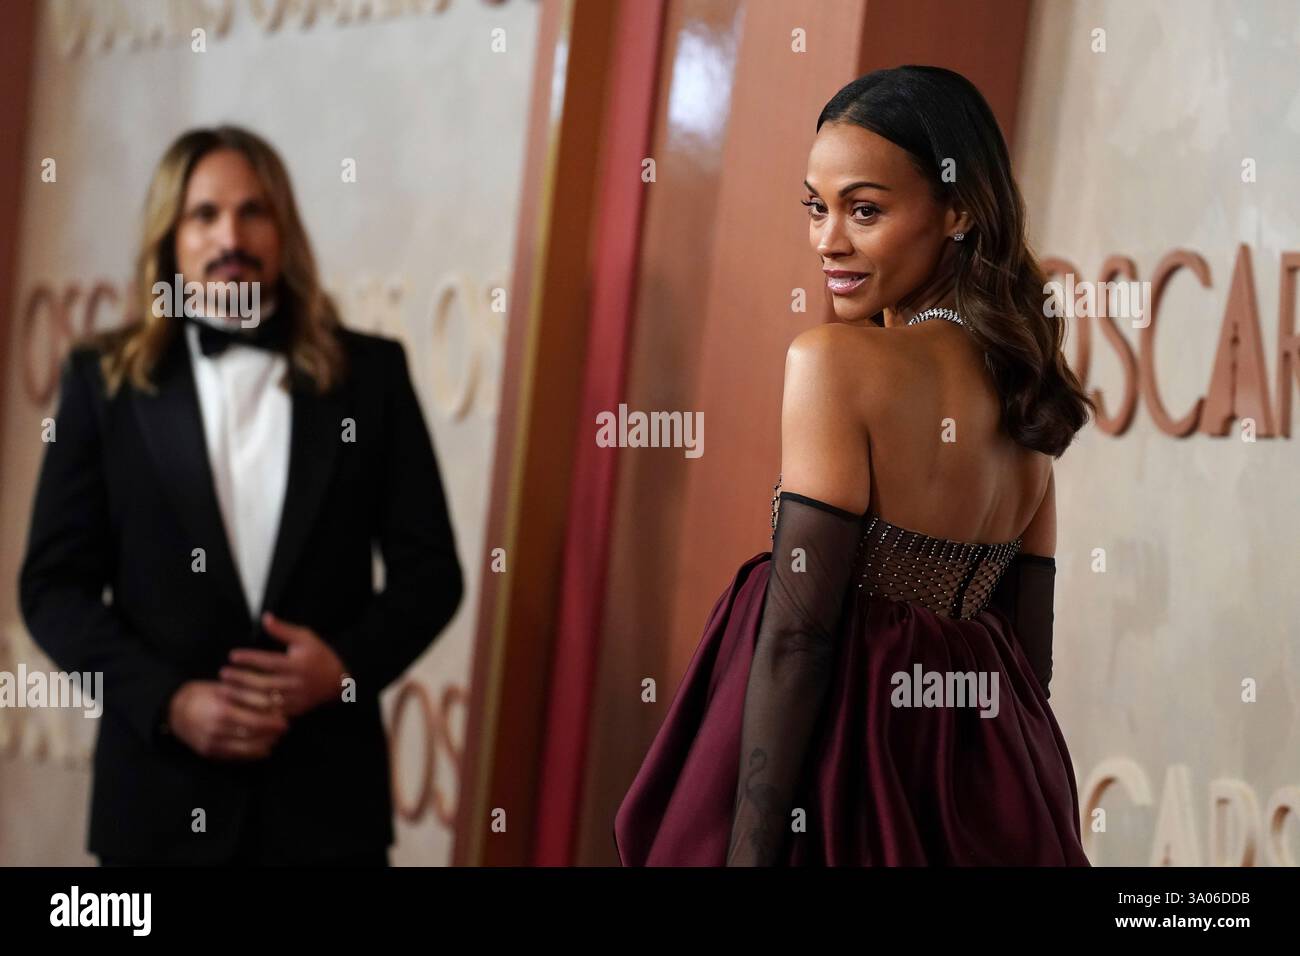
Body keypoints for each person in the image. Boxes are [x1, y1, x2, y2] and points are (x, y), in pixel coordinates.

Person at [615, 66, 1095, 866]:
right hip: (979, 788)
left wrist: (750, 852)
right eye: (817, 206)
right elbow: (1027, 660)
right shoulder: (1026, 386)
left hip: (837, 782)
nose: (828, 240)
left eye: (864, 210)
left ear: (959, 211)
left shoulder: (833, 361)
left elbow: (798, 638)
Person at [19, 125, 463, 866]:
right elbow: (51, 588)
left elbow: (432, 573)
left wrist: (344, 667)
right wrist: (167, 702)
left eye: (254, 211)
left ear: (283, 230)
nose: (232, 234)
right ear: (171, 238)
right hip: (157, 812)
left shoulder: (372, 377)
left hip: (327, 814)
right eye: (206, 215)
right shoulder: (103, 383)